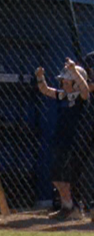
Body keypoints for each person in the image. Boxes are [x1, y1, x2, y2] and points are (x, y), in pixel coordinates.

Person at [35, 59, 89, 220]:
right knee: (57, 177)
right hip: (60, 139)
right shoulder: (63, 95)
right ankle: (68, 206)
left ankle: (73, 208)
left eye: (67, 81)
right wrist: (40, 77)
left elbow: (85, 89)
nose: (64, 84)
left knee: (68, 176)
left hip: (74, 141)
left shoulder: (81, 97)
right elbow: (45, 90)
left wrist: (75, 71)